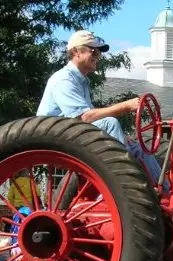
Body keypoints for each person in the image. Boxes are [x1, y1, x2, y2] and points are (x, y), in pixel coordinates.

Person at [36, 30, 163, 186]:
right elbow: (84, 117)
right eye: (93, 50)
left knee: (140, 149)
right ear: (76, 52)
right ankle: (126, 185)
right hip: (53, 139)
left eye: (99, 52)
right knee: (110, 123)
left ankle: (164, 192)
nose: (98, 55)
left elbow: (87, 120)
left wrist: (123, 138)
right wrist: (126, 105)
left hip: (71, 133)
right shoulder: (63, 79)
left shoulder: (81, 80)